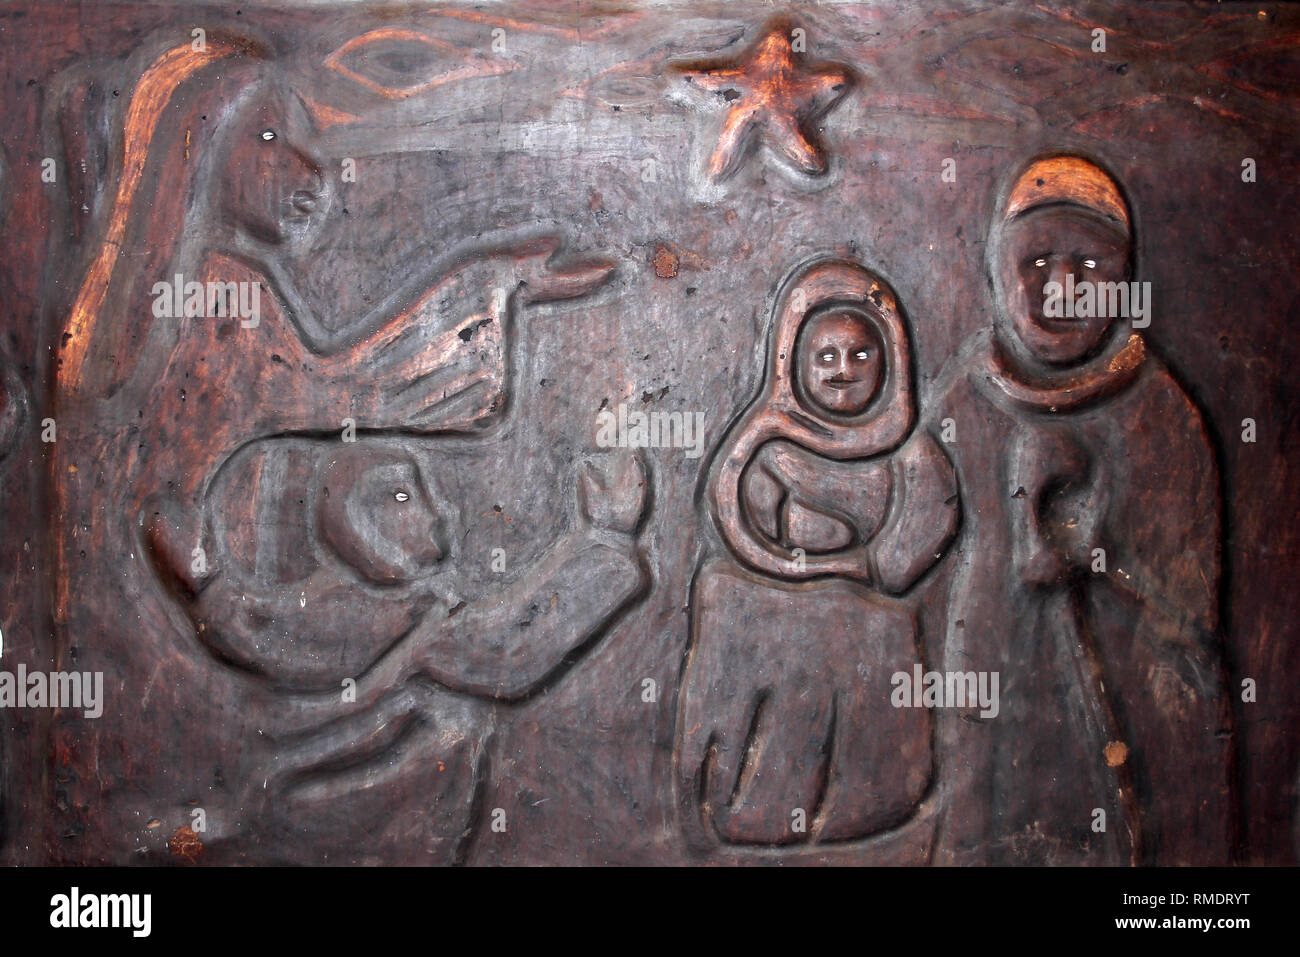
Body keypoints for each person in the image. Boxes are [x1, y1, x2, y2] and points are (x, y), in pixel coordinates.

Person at [929, 154, 1234, 864]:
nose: (1062, 290)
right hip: (994, 699)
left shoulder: (1159, 414)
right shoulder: (963, 401)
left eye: (1089, 269)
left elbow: (1187, 621)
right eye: (1037, 264)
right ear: (1001, 273)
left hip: (1125, 709)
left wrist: (1097, 555)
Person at [678, 257, 958, 849]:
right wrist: (788, 560)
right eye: (825, 357)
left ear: (892, 364)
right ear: (793, 364)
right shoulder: (770, 446)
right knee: (729, 602)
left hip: (867, 615)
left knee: (857, 632)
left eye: (860, 355)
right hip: (771, 599)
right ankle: (745, 798)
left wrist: (852, 568)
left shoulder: (911, 456)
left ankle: (867, 799)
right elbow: (740, 520)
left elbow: (917, 542)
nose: (842, 372)